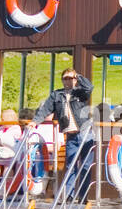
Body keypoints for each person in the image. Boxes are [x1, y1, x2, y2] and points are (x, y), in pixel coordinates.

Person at [34, 68, 94, 198]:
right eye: (65, 78)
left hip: (85, 133)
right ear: (62, 80)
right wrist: (35, 121)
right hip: (71, 135)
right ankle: (68, 196)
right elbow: (45, 109)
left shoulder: (80, 93)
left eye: (71, 78)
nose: (68, 81)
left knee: (85, 167)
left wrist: (77, 75)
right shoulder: (56, 95)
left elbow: (89, 87)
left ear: (75, 79)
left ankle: (83, 197)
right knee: (71, 166)